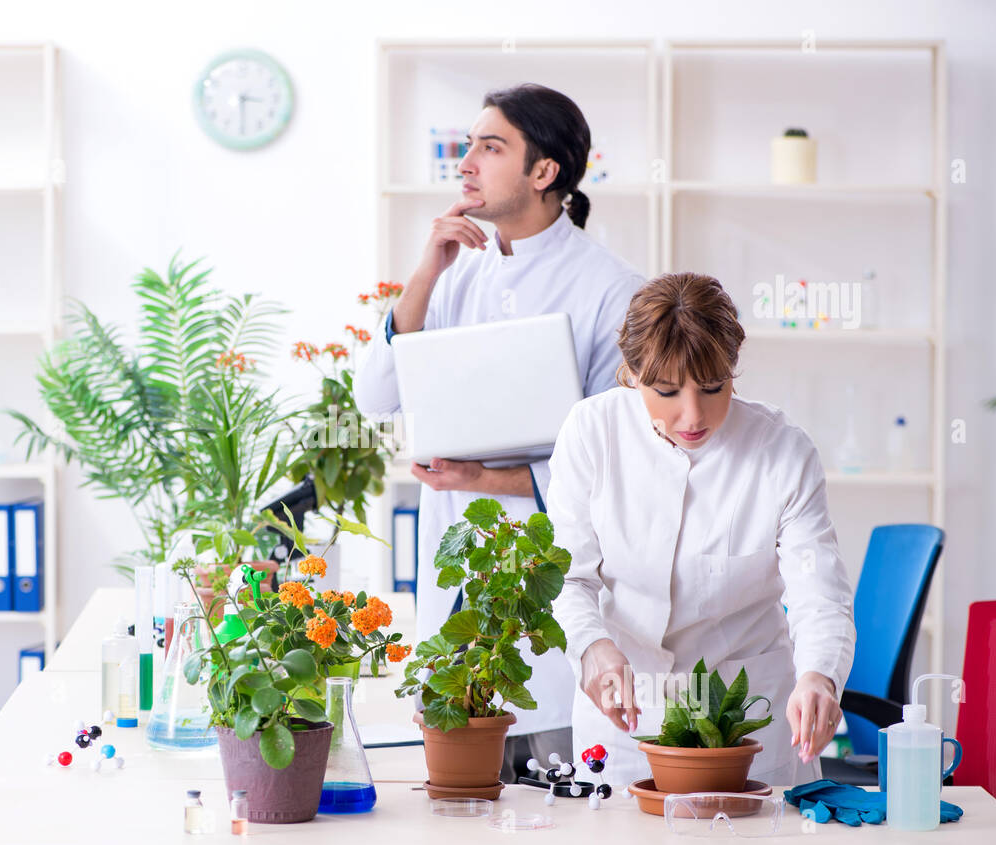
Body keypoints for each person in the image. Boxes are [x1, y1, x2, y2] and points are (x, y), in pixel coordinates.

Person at [355, 83, 644, 780]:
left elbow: (616, 462)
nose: (467, 162)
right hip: (451, 573)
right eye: (468, 144)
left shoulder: (615, 291)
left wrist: (483, 479)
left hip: (550, 579)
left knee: (550, 797)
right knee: (455, 805)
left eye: (491, 146)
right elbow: (373, 396)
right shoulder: (455, 274)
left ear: (545, 172)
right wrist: (427, 269)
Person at [545, 272, 856, 789]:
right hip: (629, 717)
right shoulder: (591, 432)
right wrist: (592, 647)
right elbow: (567, 578)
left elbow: (818, 593)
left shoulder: (782, 451)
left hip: (751, 723)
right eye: (666, 390)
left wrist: (819, 675)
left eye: (713, 387)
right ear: (630, 373)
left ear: (733, 370)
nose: (692, 414)